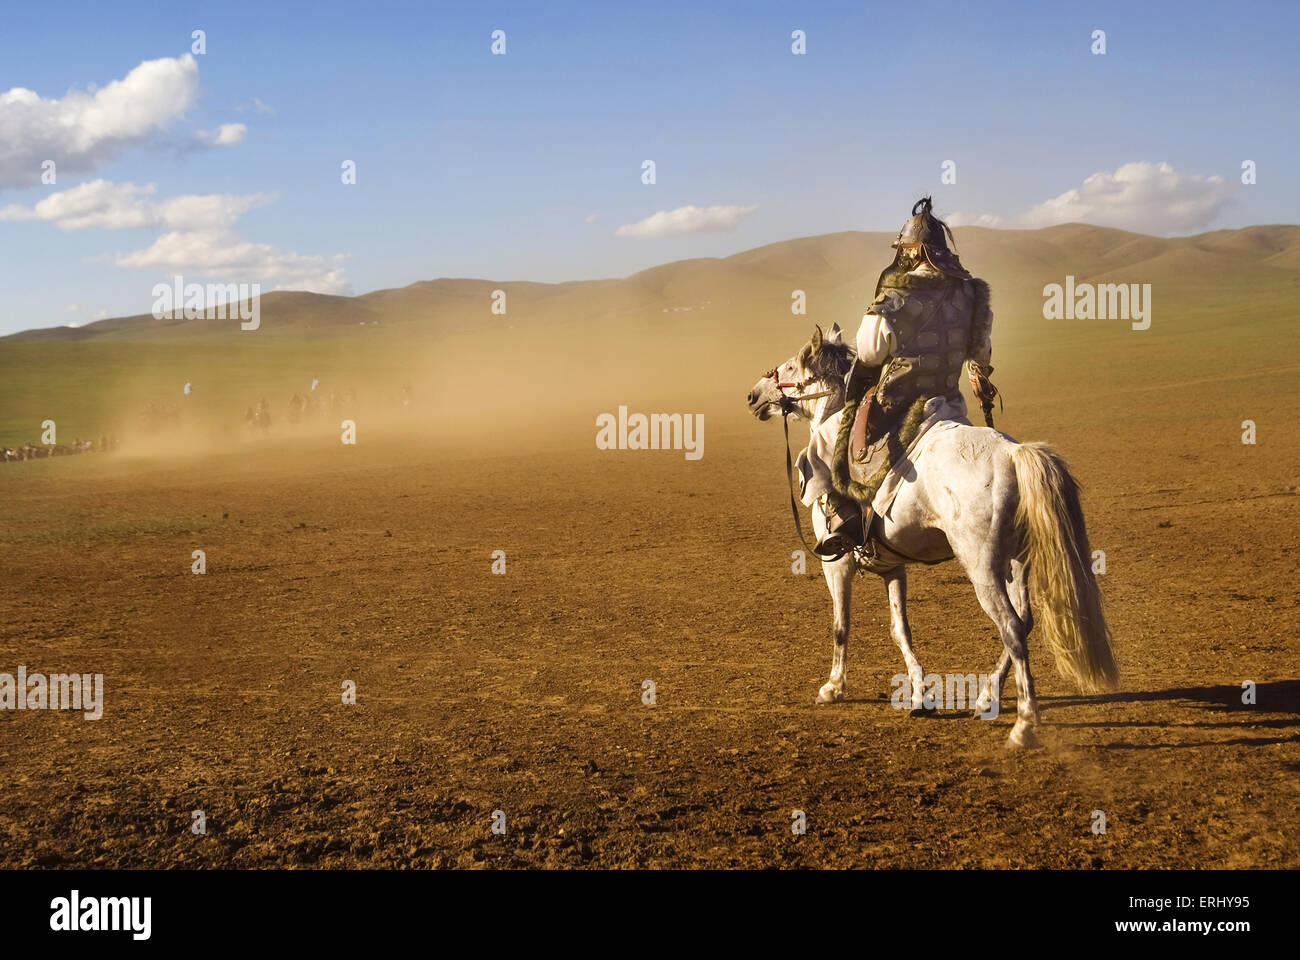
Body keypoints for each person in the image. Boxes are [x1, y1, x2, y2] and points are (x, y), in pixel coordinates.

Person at [799, 197, 998, 559]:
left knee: (827, 437)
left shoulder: (894, 296)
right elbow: (981, 353)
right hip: (949, 404)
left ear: (914, 251)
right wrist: (979, 376)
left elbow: (870, 352)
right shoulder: (971, 295)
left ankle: (844, 520)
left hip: (897, 405)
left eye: (905, 250)